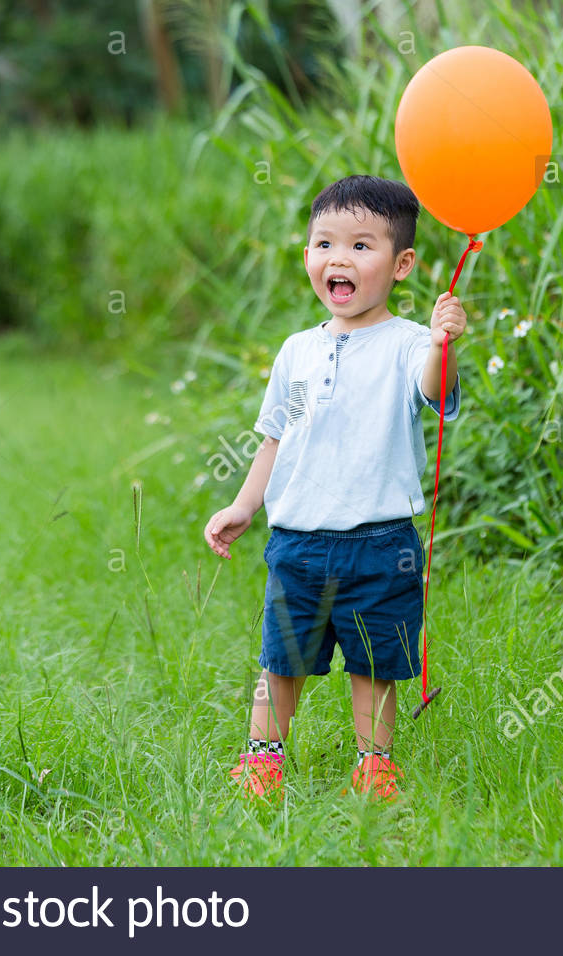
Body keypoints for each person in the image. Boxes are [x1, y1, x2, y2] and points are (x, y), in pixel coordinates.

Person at [203, 174, 466, 802]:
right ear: (307, 258)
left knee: (376, 662)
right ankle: (264, 755)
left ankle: (375, 762)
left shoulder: (407, 345)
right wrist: (245, 504)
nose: (338, 259)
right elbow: (274, 438)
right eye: (325, 244)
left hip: (382, 544)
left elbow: (434, 392)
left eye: (360, 246)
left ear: (401, 264)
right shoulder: (296, 351)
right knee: (281, 657)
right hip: (297, 542)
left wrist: (440, 343)